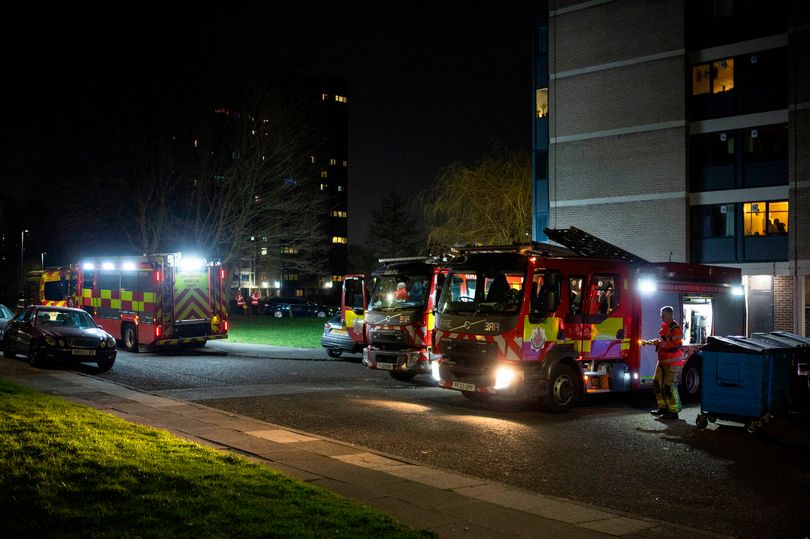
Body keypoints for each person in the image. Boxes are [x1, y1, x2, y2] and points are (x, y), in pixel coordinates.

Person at [645, 306, 684, 420]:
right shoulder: (665, 327)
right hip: (663, 362)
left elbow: (677, 345)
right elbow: (663, 341)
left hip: (673, 364)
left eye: (663, 314)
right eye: (661, 314)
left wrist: (660, 344)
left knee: (668, 387)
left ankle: (673, 411)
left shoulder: (675, 329)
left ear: (669, 315)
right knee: (657, 383)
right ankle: (662, 408)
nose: (661, 316)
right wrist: (652, 342)